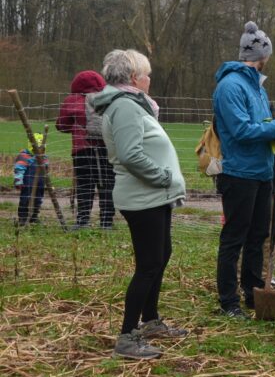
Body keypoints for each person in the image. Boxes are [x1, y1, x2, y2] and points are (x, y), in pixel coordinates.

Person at [91, 49, 188, 360]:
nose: (149, 79)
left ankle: (150, 321)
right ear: (134, 78)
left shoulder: (133, 105)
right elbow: (131, 155)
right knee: (148, 265)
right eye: (146, 74)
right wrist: (163, 177)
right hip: (143, 197)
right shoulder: (125, 108)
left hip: (154, 196)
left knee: (161, 256)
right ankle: (127, 337)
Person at [212, 22, 275, 318]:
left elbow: (263, 128)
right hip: (239, 173)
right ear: (261, 54)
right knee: (234, 236)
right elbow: (243, 130)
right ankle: (228, 300)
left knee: (258, 235)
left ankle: (252, 292)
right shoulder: (230, 86)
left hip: (263, 172)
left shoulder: (256, 87)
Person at [57, 70, 115, 229]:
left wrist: (76, 126)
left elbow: (61, 125)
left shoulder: (72, 100)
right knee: (108, 185)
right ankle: (106, 222)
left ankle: (83, 221)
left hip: (82, 149)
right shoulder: (109, 99)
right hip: (106, 149)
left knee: (84, 185)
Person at [15, 133, 46, 226]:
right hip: (27, 183)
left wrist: (48, 183)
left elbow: (46, 171)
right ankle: (23, 218)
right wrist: (18, 180)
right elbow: (19, 169)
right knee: (25, 199)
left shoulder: (43, 157)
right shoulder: (24, 156)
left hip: (40, 184)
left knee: (38, 200)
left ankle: (34, 217)